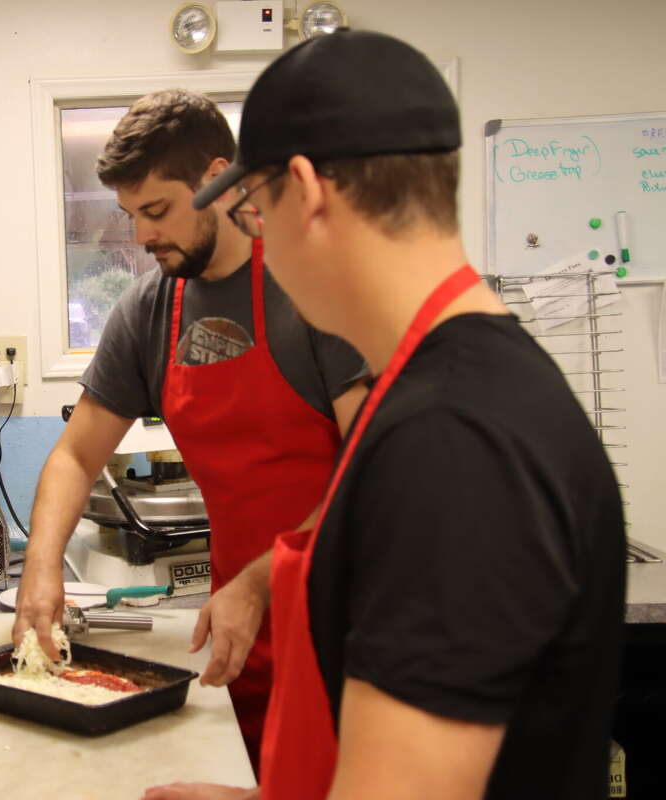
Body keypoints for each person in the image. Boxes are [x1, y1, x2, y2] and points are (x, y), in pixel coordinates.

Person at [143, 29, 626, 800]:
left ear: (306, 192)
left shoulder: (452, 443)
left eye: (257, 213)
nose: (261, 245)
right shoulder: (447, 386)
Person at [13, 89, 368, 759]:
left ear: (217, 181)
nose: (140, 236)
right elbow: (74, 458)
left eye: (156, 211)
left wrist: (261, 583)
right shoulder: (149, 310)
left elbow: (375, 474)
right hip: (237, 638)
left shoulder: (317, 286)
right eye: (129, 214)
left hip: (347, 637)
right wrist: (40, 565)